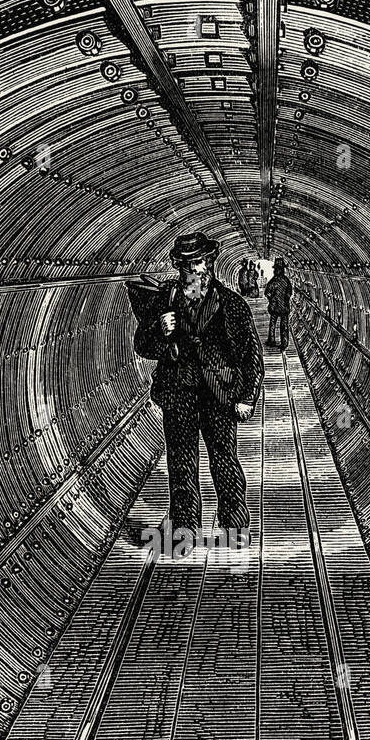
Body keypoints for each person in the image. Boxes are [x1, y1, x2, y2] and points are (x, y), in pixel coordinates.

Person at [133, 232, 264, 543]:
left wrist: (247, 397)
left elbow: (251, 354)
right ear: (180, 267)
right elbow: (142, 345)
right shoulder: (165, 301)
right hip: (178, 393)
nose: (195, 269)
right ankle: (185, 529)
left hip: (218, 394)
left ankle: (234, 526)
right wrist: (159, 331)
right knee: (180, 463)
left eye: (200, 262)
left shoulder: (231, 303)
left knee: (224, 460)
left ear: (211, 263)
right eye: (188, 264)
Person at [265, 257, 292, 349]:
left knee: (273, 324)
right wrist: (285, 299)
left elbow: (267, 292)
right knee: (284, 325)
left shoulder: (274, 280)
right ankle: (284, 343)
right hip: (284, 306)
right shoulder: (286, 280)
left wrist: (271, 299)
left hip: (275, 306)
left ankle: (271, 341)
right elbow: (289, 293)